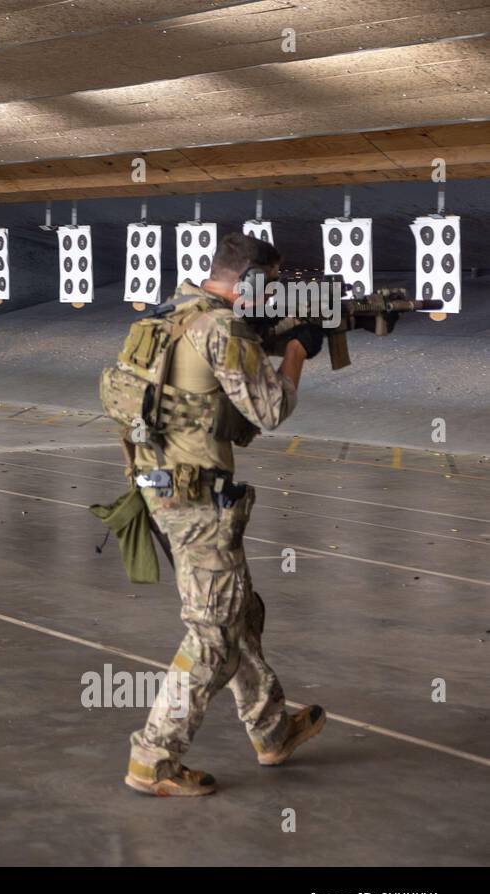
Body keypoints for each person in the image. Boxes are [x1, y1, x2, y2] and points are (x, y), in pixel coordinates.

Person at [122, 232, 327, 796]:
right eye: (273, 286)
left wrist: (269, 337)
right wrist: (298, 349)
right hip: (197, 504)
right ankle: (154, 758)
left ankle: (271, 729)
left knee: (242, 614)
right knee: (213, 635)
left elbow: (203, 390)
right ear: (252, 281)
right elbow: (270, 408)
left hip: (161, 489)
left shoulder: (170, 316)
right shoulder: (221, 328)